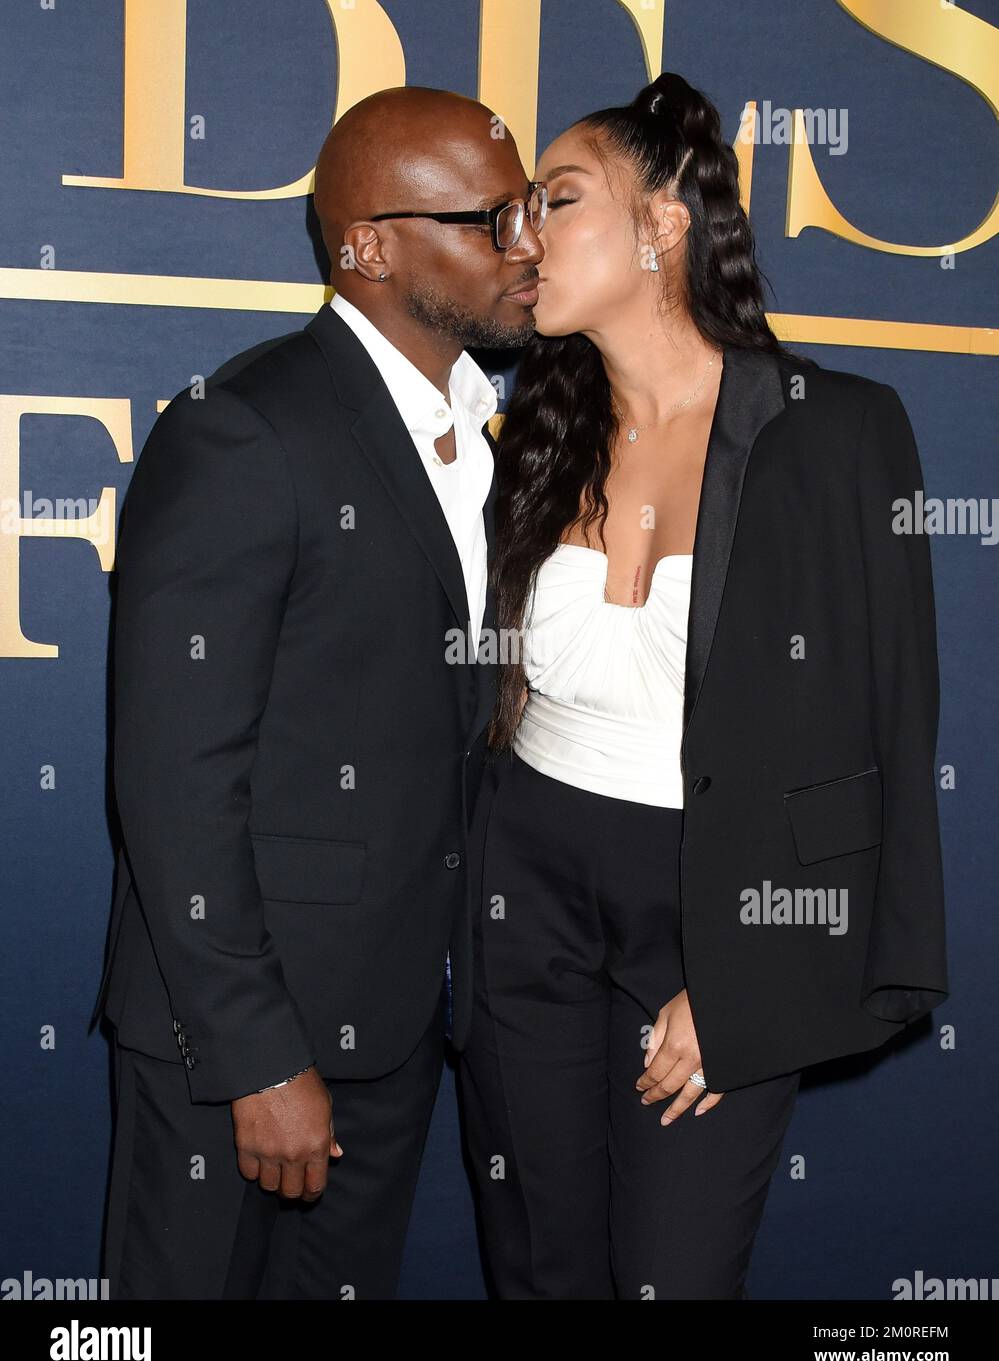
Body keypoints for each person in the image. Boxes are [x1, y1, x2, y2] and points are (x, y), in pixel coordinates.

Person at [454, 71, 948, 1299]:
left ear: (663, 226)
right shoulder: (534, 437)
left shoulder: (839, 433)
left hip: (719, 900)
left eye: (557, 202)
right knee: (541, 1268)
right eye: (518, 211)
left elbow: (885, 735)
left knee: (671, 1277)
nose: (525, 236)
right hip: (527, 892)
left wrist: (756, 983)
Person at [90, 84, 545, 1299]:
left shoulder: (484, 432)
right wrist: (256, 1058)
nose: (527, 247)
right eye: (491, 219)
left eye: (530, 213)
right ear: (370, 248)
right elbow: (174, 775)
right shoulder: (245, 429)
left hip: (396, 1023)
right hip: (240, 1041)